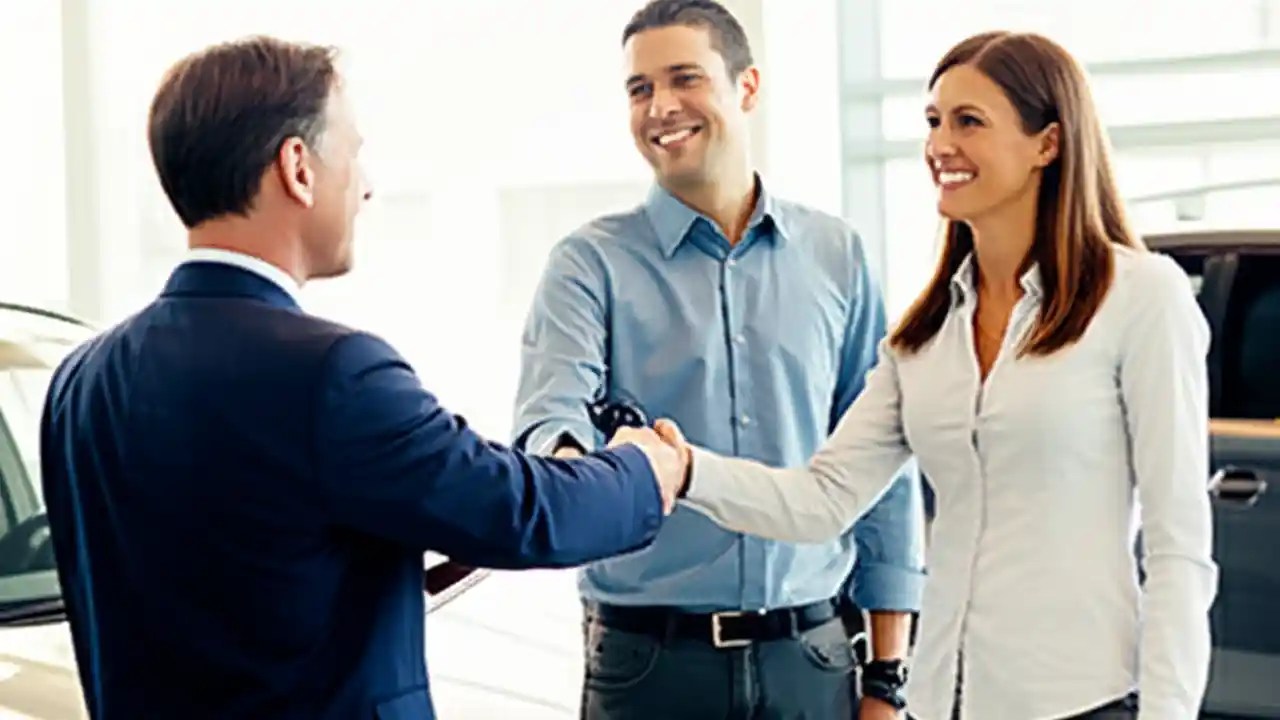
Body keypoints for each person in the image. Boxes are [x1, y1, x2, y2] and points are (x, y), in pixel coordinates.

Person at [39, 36, 688, 720]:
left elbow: (225, 582)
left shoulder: (79, 381)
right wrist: (646, 468)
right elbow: (525, 513)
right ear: (298, 167)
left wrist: (398, 554)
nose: (367, 185)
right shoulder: (331, 373)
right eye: (352, 153)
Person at [649, 30, 1218, 720]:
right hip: (942, 700)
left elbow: (1179, 547)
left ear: (1048, 143)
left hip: (1081, 701)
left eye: (968, 121)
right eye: (933, 121)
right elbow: (822, 500)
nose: (940, 145)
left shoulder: (1141, 298)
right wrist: (684, 471)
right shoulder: (924, 338)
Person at [511, 1, 925, 717]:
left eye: (685, 78)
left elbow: (883, 470)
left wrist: (887, 679)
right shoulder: (589, 264)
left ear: (747, 87)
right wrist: (575, 464)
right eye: (639, 89)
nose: (660, 107)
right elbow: (550, 421)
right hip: (650, 668)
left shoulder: (837, 256)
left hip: (812, 659)